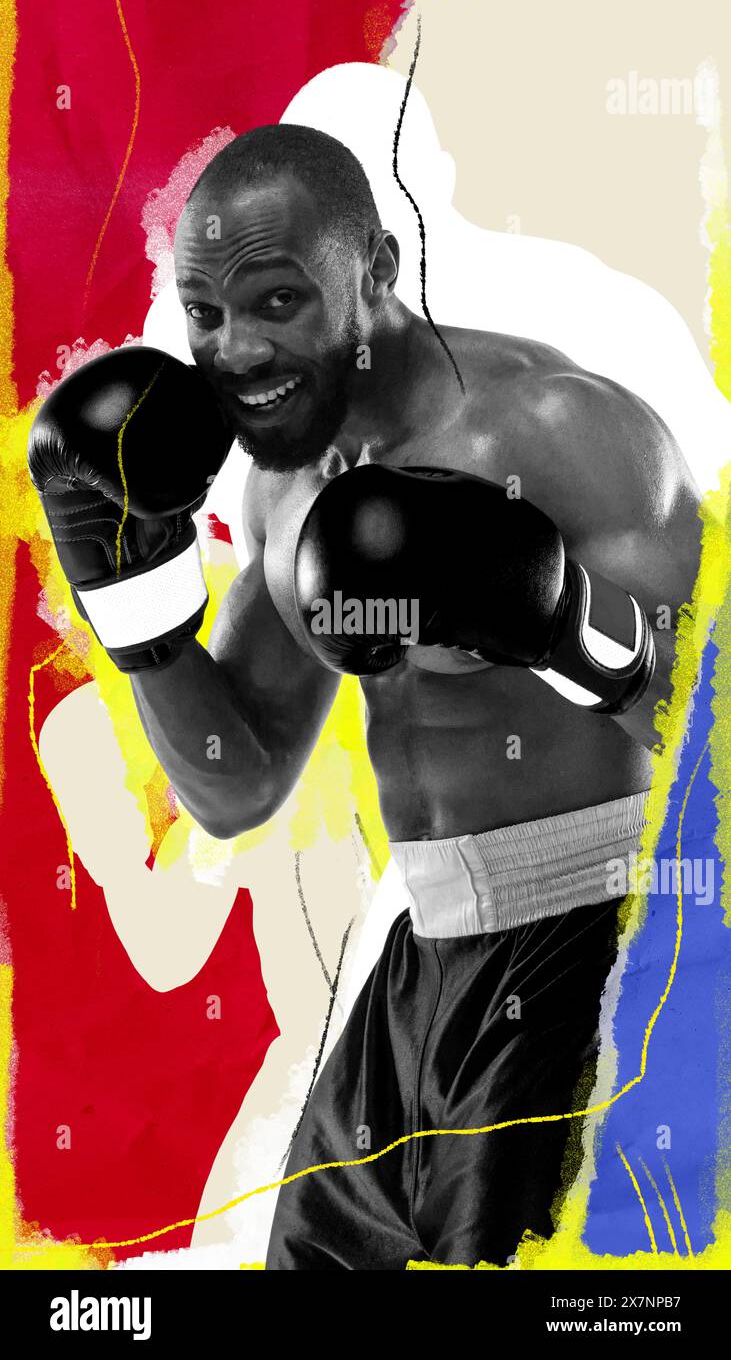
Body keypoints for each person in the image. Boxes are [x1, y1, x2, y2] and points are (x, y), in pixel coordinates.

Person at [28, 123, 702, 1269]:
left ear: (377, 273)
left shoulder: (555, 427)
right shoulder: (286, 483)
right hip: (421, 964)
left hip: (592, 945)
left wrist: (552, 616)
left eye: (278, 302)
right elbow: (235, 787)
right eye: (204, 313)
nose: (234, 351)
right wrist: (130, 601)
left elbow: (706, 725)